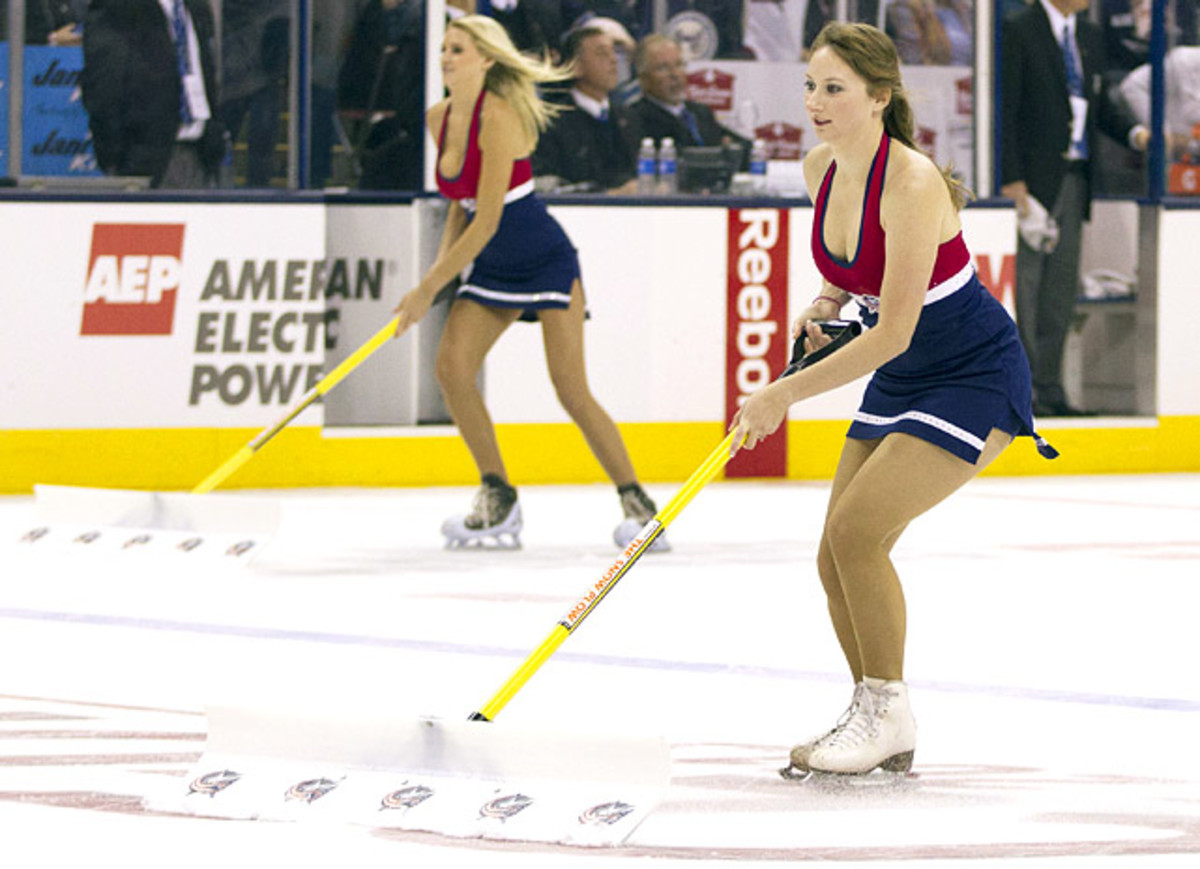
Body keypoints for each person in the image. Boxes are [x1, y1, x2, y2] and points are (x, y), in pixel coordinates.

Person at [730, 22, 1058, 777]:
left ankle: (886, 706)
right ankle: (878, 716)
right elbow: (853, 282)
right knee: (832, 553)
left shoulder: (911, 183)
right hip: (907, 373)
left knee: (857, 537)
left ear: (880, 97)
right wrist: (824, 302)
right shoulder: (820, 168)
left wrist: (781, 393)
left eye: (835, 89)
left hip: (970, 372)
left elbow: (893, 333)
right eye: (810, 86)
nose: (815, 102)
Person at [391, 15, 664, 550]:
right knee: (451, 369)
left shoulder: (501, 117)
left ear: (488, 60)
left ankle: (638, 502)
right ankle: (497, 495)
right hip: (489, 265)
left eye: (459, 50)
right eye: (445, 49)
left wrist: (429, 287)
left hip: (541, 256)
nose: (446, 58)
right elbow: (459, 207)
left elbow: (488, 218)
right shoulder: (438, 117)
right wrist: (439, 279)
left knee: (571, 390)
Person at [1000, 0, 1149, 417]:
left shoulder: (1088, 35)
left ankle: (1050, 388)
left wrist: (1136, 134)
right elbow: (1006, 110)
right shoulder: (1019, 29)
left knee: (1059, 293)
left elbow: (1098, 102)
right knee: (1027, 291)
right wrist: (1013, 181)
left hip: (1076, 178)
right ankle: (1023, 392)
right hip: (1032, 182)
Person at [81, 0, 225, 189]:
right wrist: (116, 157)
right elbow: (103, 86)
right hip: (144, 158)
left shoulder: (194, 6)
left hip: (198, 152)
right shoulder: (115, 8)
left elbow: (206, 71)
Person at [533, 25, 640, 193]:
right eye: (602, 53)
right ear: (575, 66)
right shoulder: (552, 121)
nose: (613, 60)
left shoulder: (629, 117)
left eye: (614, 52)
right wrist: (609, 195)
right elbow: (547, 184)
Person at [626, 34, 748, 155]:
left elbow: (741, 146)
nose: (675, 74)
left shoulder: (700, 112)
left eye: (679, 65)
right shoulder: (634, 119)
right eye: (663, 68)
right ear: (643, 78)